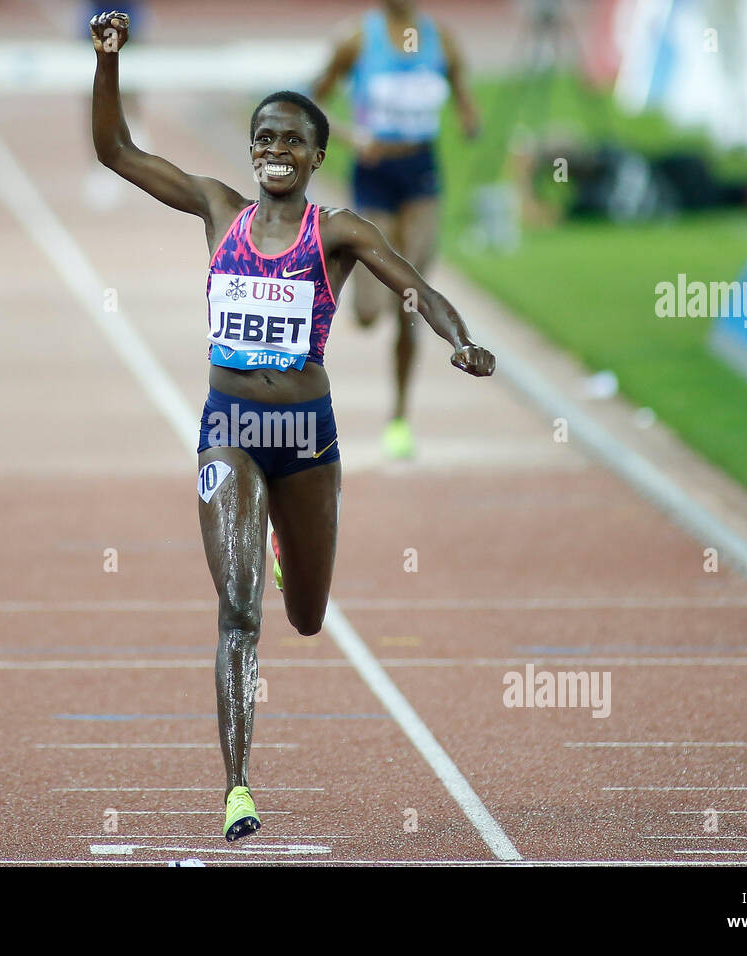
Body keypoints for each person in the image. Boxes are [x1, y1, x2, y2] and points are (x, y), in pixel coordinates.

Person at [89, 10, 494, 841]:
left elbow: (411, 283)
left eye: (290, 141)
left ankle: (286, 554)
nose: (274, 150)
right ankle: (237, 789)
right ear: (252, 151)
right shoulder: (217, 210)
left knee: (306, 616)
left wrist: (462, 340)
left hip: (307, 439)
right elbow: (117, 153)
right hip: (230, 430)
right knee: (238, 614)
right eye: (262, 138)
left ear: (316, 156)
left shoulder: (337, 233)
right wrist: (109, 62)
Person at [312, 0, 482, 458]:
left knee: (412, 295)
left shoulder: (440, 40)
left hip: (421, 174)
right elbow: (312, 103)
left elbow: (462, 90)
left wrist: (470, 117)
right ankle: (369, 287)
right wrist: (351, 137)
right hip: (375, 175)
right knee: (369, 313)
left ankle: (400, 418)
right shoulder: (355, 39)